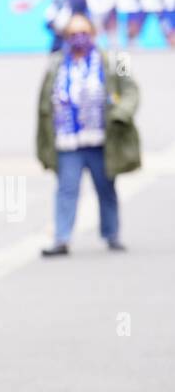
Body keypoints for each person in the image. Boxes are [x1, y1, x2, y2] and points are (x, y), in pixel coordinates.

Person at [36, 13, 141, 257]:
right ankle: (62, 238)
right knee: (66, 189)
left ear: (94, 34)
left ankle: (112, 234)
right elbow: (43, 103)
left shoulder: (117, 58)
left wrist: (121, 113)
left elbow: (131, 90)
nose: (79, 38)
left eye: (84, 32)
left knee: (106, 188)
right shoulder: (55, 63)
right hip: (68, 140)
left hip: (103, 139)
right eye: (73, 34)